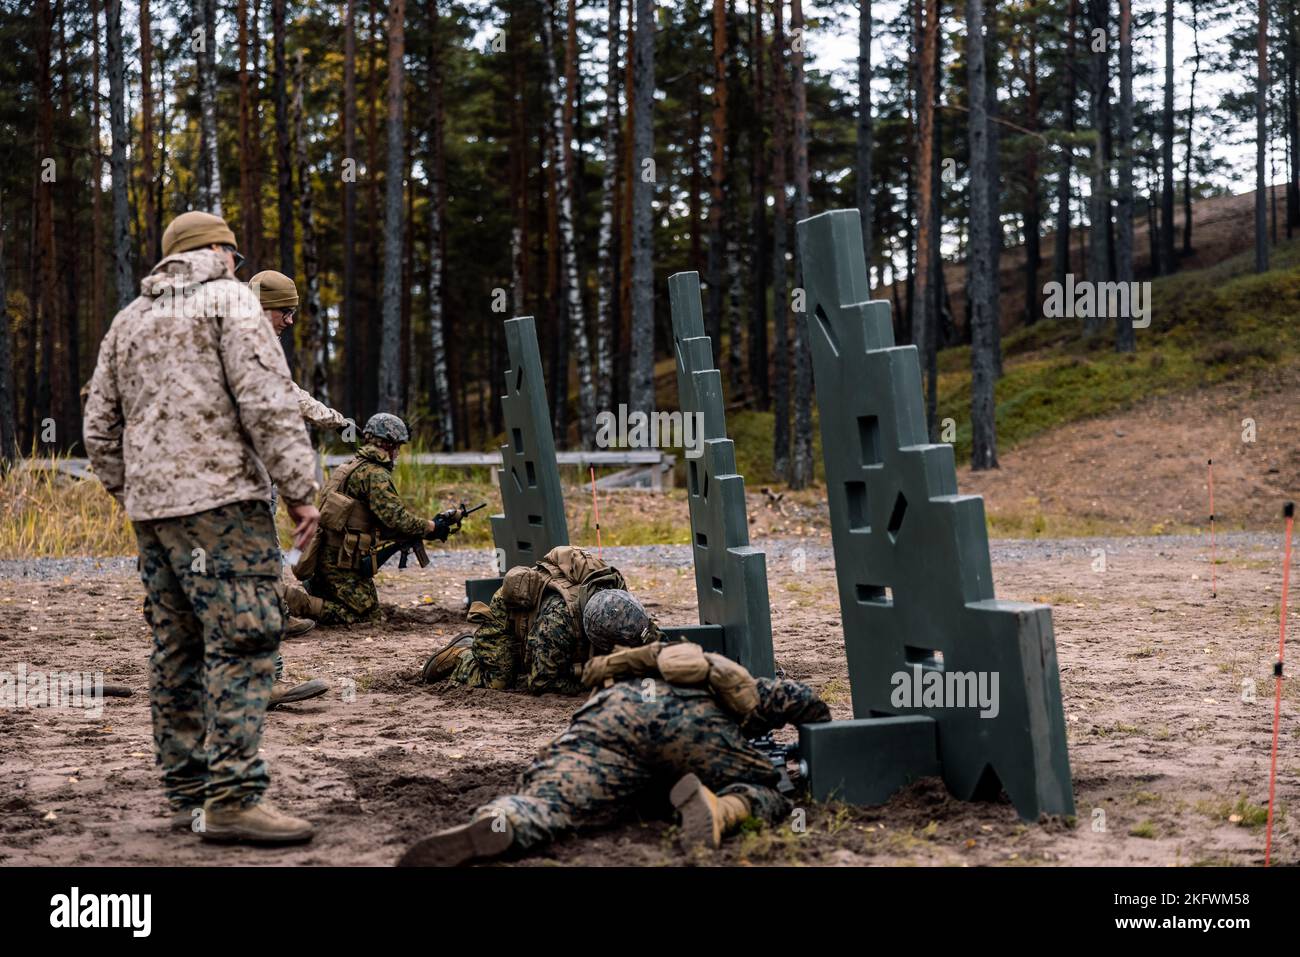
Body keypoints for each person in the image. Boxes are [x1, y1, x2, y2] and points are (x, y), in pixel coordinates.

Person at [84, 211, 320, 845]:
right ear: (219, 251)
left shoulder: (126, 322)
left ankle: (186, 789)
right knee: (244, 640)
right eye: (233, 255)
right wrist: (301, 492)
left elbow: (98, 428)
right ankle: (234, 797)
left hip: (153, 516)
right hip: (224, 507)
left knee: (177, 646)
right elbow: (268, 400)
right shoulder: (232, 306)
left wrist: (132, 490)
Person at [398, 639, 831, 866]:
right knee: (773, 786)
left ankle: (505, 819)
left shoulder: (632, 671)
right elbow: (804, 700)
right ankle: (720, 809)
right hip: (696, 728)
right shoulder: (736, 687)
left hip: (612, 717)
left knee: (551, 797)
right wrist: (819, 740)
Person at [285, 413, 455, 625]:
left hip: (326, 556)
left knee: (362, 609)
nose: (398, 453)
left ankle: (318, 595)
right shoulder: (374, 474)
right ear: (388, 444)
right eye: (398, 447)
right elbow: (396, 519)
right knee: (365, 617)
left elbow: (377, 522)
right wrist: (431, 527)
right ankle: (294, 602)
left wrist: (422, 531)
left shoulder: (349, 466)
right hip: (340, 564)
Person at [423, 551, 657, 695]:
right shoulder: (557, 623)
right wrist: (590, 682)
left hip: (547, 627)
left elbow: (653, 643)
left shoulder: (622, 605)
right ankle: (463, 655)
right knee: (501, 680)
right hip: (509, 617)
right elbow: (541, 683)